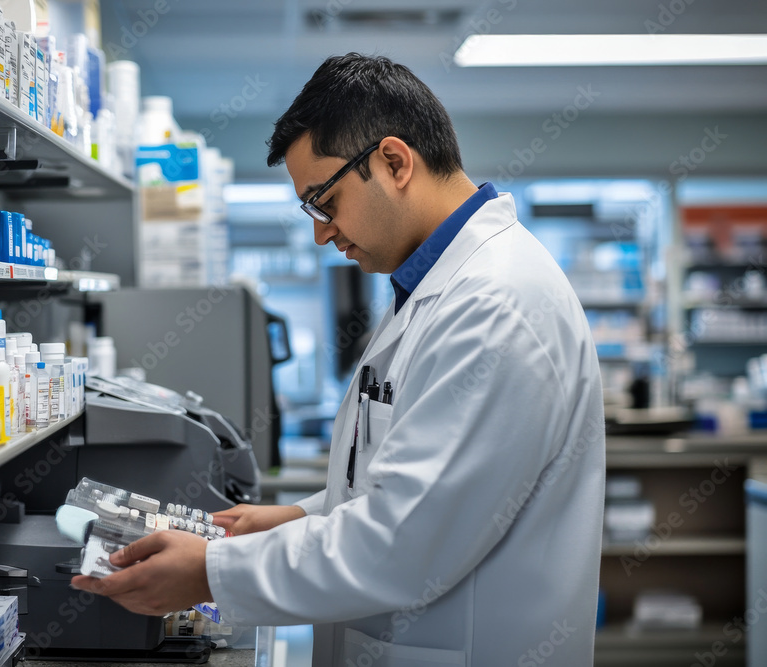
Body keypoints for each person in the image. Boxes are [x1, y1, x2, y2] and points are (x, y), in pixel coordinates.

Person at [72, 53, 605, 666]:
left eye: (325, 201)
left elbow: (407, 543)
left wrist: (212, 571)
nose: (322, 233)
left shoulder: (495, 305)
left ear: (395, 162)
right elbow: (413, 488)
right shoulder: (431, 287)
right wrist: (292, 518)